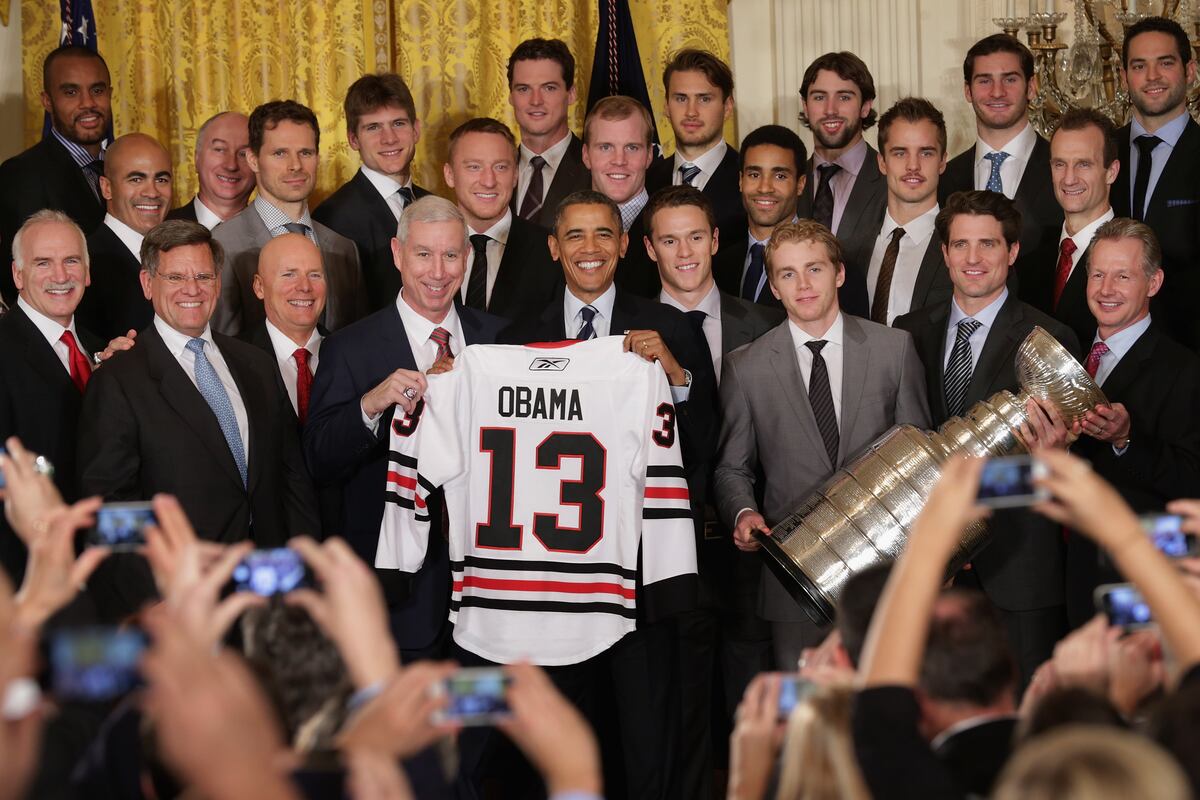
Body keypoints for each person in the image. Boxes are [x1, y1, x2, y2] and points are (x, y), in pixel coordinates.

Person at [713, 219, 929, 672]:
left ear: (839, 273)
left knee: (886, 715)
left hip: (885, 574)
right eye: (788, 274)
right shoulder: (746, 367)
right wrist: (742, 512)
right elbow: (732, 467)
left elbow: (921, 464)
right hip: (796, 580)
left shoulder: (895, 349)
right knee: (806, 724)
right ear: (773, 286)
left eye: (814, 268)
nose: (803, 284)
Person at [77, 220, 320, 620]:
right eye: (175, 276)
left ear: (218, 281)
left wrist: (304, 574)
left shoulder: (255, 364)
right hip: (183, 603)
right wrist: (154, 599)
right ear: (147, 283)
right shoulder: (119, 380)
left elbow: (290, 478)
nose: (192, 289)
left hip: (271, 595)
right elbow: (109, 507)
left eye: (203, 275)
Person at [304, 195, 506, 661]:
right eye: (423, 254)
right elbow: (318, 457)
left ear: (468, 257)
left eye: (451, 255)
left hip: (488, 595)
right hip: (396, 595)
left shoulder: (502, 340)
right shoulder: (350, 348)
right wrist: (370, 405)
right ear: (397, 254)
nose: (438, 271)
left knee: (479, 728)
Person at [894, 190, 1078, 680]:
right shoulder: (906, 332)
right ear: (944, 253)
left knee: (1022, 725)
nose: (973, 259)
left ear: (1012, 252)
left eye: (988, 245)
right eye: (960, 245)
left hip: (1017, 568)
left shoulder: (1051, 338)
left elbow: (1059, 469)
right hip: (931, 566)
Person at [644, 185, 783, 797]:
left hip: (756, 536)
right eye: (669, 240)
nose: (684, 252)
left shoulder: (766, 322)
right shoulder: (628, 330)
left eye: (695, 236)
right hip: (672, 540)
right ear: (648, 249)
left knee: (753, 680)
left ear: (717, 240)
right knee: (683, 694)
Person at [1064, 217, 1200, 626]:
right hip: (1063, 572)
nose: (1106, 290)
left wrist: (1126, 440)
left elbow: (1191, 482)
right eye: (1098, 274)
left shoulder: (1184, 370)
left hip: (1135, 582)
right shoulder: (1068, 352)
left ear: (1153, 283)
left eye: (1123, 276)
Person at [0, 211, 103, 583]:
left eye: (71, 261)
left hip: (98, 569)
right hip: (27, 571)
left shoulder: (102, 349)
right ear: (17, 275)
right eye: (43, 263)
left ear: (87, 272)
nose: (61, 276)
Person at [212, 100, 365, 336]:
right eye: (280, 153)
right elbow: (218, 345)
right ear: (253, 160)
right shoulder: (221, 246)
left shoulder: (344, 249)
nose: (295, 165)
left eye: (305, 153)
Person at [939, 34, 1062, 287]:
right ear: (967, 91)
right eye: (985, 81)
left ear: (1031, 87)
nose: (997, 92)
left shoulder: (1063, 169)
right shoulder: (944, 177)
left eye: (1010, 79)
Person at [1110, 16, 1200, 351]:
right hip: (1103, 354)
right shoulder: (1100, 153)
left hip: (1188, 351)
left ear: (1189, 71)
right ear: (1123, 77)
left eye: (1165, 63)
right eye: (1139, 66)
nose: (1152, 77)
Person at [0, 45, 112, 304]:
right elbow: (18, 278)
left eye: (97, 90)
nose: (88, 103)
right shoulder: (21, 174)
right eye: (71, 92)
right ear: (47, 101)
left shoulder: (120, 167)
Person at [313, 73, 431, 310]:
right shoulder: (331, 218)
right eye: (373, 127)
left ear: (416, 130)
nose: (389, 138)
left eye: (398, 123)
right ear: (353, 139)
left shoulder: (433, 203)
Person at [794, 51, 887, 318]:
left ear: (866, 106)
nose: (830, 109)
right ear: (805, 105)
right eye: (819, 97)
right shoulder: (787, 182)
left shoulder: (892, 180)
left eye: (844, 97)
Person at [1020, 108, 1119, 349]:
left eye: (1083, 164)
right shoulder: (1029, 259)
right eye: (1060, 164)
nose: (1069, 178)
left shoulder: (1136, 255)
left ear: (1111, 172)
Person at [442, 117, 560, 319]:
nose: (488, 181)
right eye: (474, 167)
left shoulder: (551, 251)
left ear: (515, 175)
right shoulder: (422, 249)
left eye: (500, 167)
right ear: (450, 175)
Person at [861, 97, 954, 325]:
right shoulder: (852, 246)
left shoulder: (960, 246)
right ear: (882, 162)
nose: (913, 165)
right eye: (900, 153)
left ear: (943, 162)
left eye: (926, 153)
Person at [75, 132, 173, 341]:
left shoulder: (180, 255)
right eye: (136, 179)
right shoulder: (83, 264)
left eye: (161, 179)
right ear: (106, 188)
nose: (152, 192)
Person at [646, 49, 746, 240]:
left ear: (727, 107)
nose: (691, 112)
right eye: (681, 98)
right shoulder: (647, 180)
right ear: (666, 106)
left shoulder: (749, 180)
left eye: (704, 99)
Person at [241, 233, 326, 424]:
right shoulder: (232, 360)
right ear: (259, 287)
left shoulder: (351, 353)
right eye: (289, 274)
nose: (305, 287)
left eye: (315, 275)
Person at [719, 124, 807, 309]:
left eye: (780, 176)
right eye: (754, 174)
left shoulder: (827, 264)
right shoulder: (717, 263)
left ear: (800, 184)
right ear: (741, 181)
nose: (765, 187)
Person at [508, 38, 591, 230]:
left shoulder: (594, 167)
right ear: (511, 96)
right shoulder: (496, 171)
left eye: (549, 88)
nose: (535, 101)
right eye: (523, 89)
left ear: (571, 94)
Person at [583, 95, 659, 297]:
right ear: (586, 155)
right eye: (605, 147)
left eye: (632, 147)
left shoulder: (670, 230)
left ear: (649, 155)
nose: (619, 160)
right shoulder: (562, 228)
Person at [167, 111, 255, 229]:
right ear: (196, 158)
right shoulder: (156, 230)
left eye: (243, 154)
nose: (231, 165)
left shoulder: (278, 235)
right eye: (219, 150)